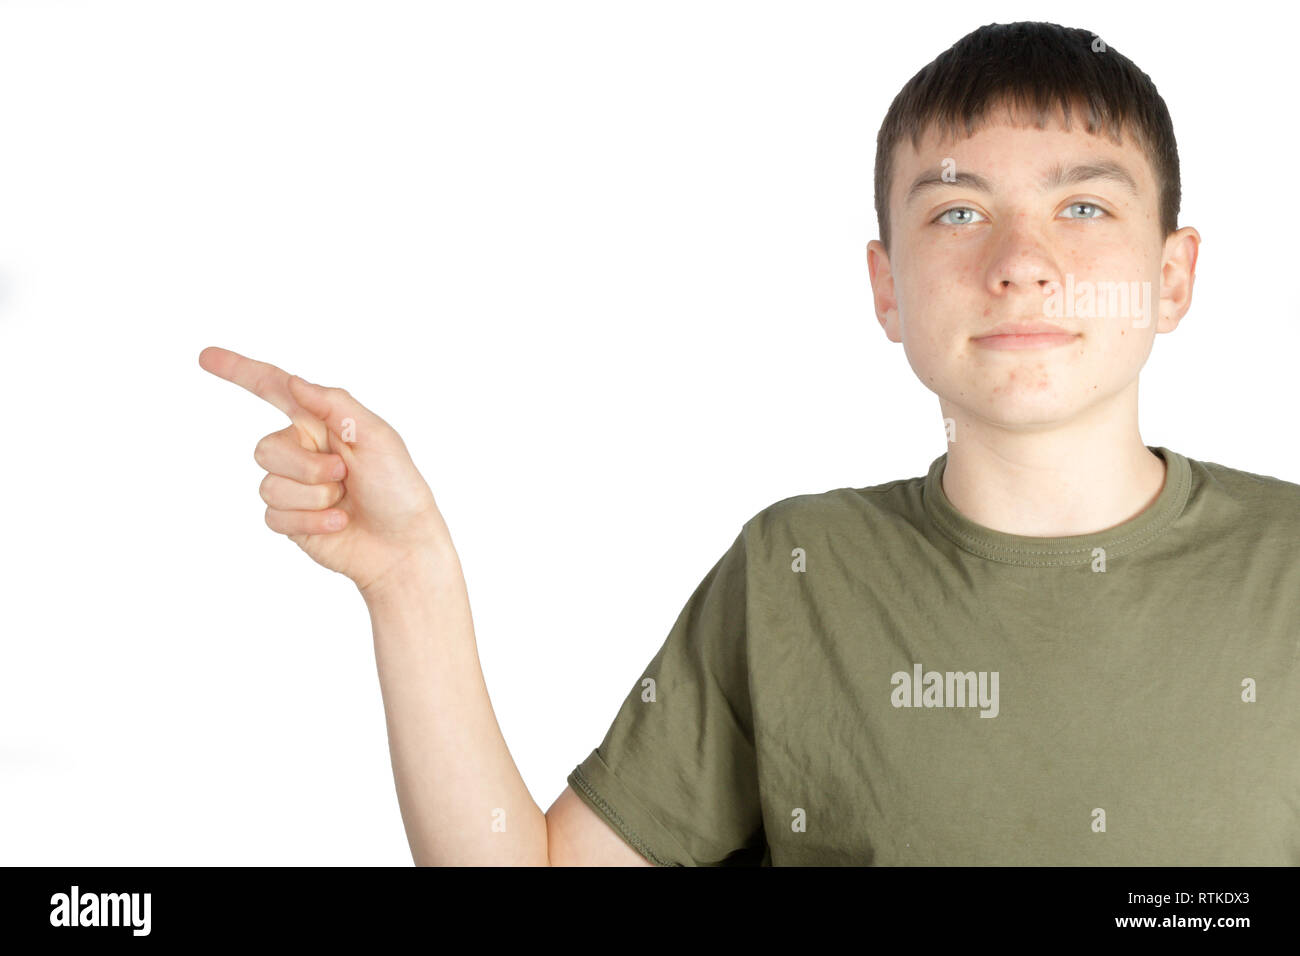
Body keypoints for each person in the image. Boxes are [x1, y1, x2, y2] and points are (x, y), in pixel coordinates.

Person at [198, 20, 1300, 865]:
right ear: (886, 289)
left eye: (1084, 208)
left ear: (1171, 278)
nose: (1021, 260)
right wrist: (409, 577)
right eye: (956, 213)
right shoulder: (794, 572)